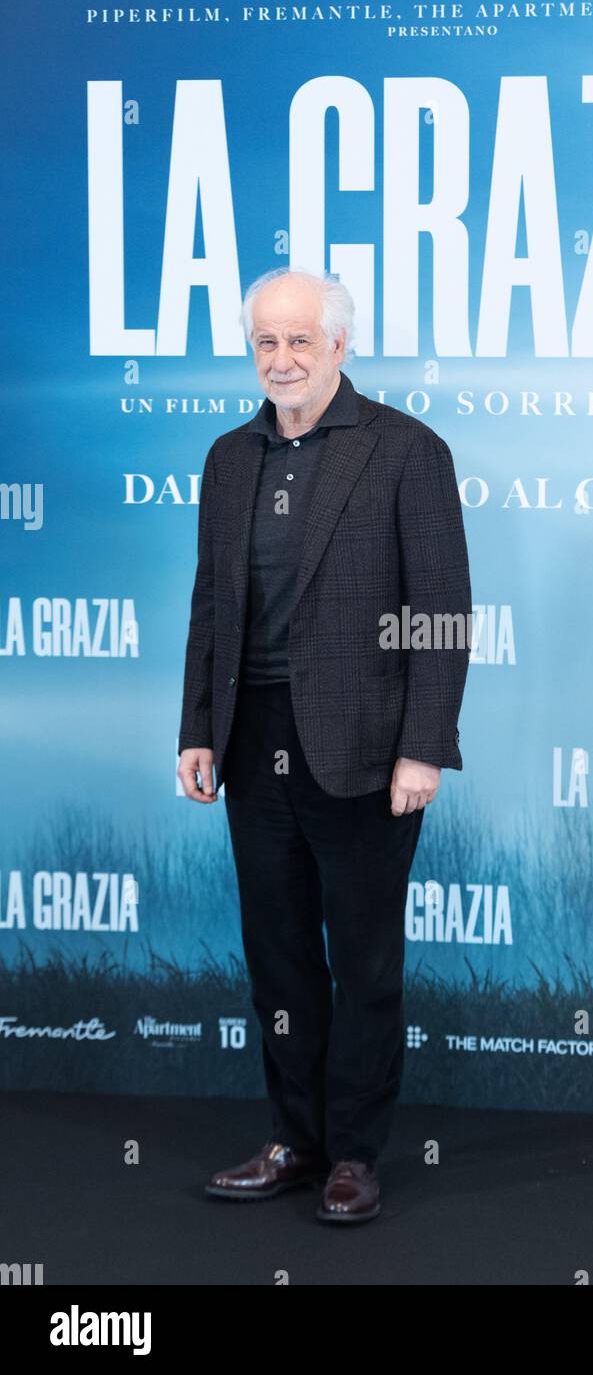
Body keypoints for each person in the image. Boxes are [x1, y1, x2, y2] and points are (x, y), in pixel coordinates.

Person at [177, 267, 472, 1224]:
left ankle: (353, 1153)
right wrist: (197, 731)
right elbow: (211, 608)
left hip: (364, 751)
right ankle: (294, 1140)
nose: (282, 358)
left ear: (339, 346)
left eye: (301, 340)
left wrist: (423, 747)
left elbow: (440, 614)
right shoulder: (229, 460)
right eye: (266, 342)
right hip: (251, 738)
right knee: (279, 959)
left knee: (365, 959)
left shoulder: (405, 451)